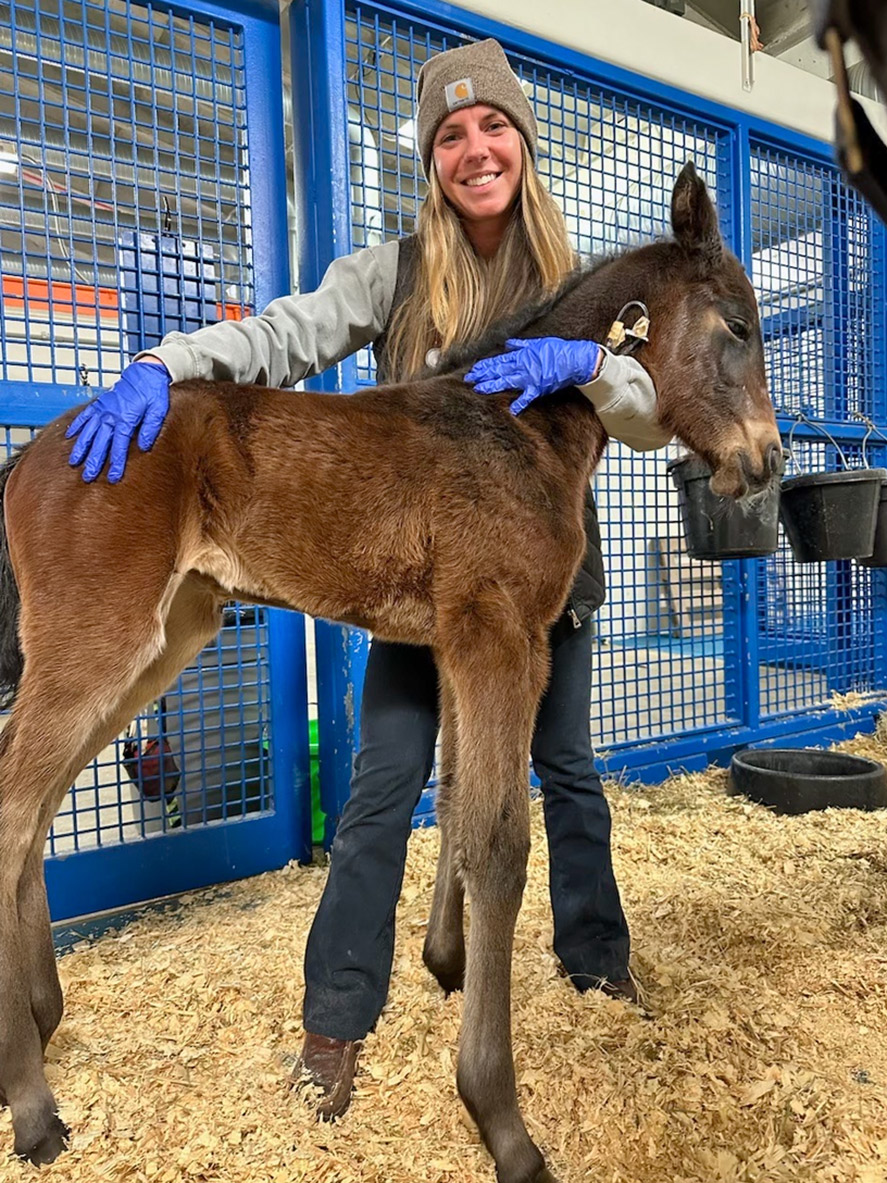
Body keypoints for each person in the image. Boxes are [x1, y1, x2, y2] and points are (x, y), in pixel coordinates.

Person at [66, 38, 671, 1120]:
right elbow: (286, 334)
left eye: (493, 128)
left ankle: (595, 962)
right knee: (384, 780)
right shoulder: (393, 274)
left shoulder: (579, 285)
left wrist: (586, 363)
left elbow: (648, 413)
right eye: (451, 134)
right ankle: (336, 1015)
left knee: (569, 773)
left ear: (522, 144)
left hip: (543, 585)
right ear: (433, 159)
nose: (475, 148)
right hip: (428, 581)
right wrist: (167, 359)